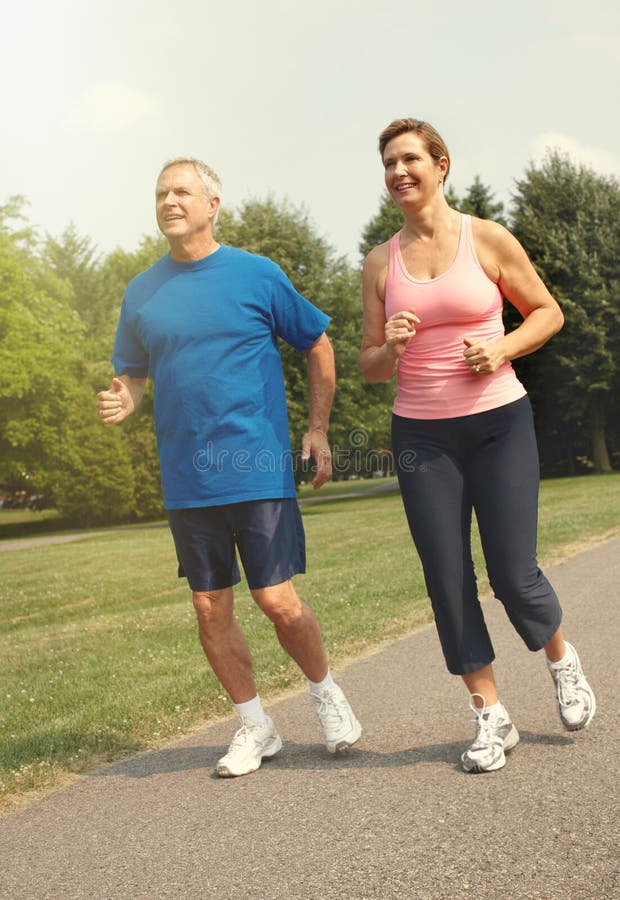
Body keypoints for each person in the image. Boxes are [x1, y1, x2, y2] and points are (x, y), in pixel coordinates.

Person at [97, 157, 361, 777]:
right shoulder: (142, 291)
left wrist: (317, 429)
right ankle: (255, 726)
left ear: (212, 204)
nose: (169, 202)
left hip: (255, 463)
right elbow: (132, 375)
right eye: (161, 193)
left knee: (276, 599)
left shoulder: (256, 274)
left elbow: (317, 342)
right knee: (209, 606)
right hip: (187, 478)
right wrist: (124, 399)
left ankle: (326, 693)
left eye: (181, 192)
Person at [359, 119, 595, 773]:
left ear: (441, 165)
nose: (398, 172)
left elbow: (548, 312)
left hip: (498, 423)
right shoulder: (380, 263)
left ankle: (562, 661)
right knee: (446, 578)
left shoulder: (486, 238)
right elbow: (370, 365)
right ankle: (490, 716)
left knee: (513, 574)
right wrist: (391, 347)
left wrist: (502, 347)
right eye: (388, 163)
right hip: (421, 435)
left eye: (410, 159)